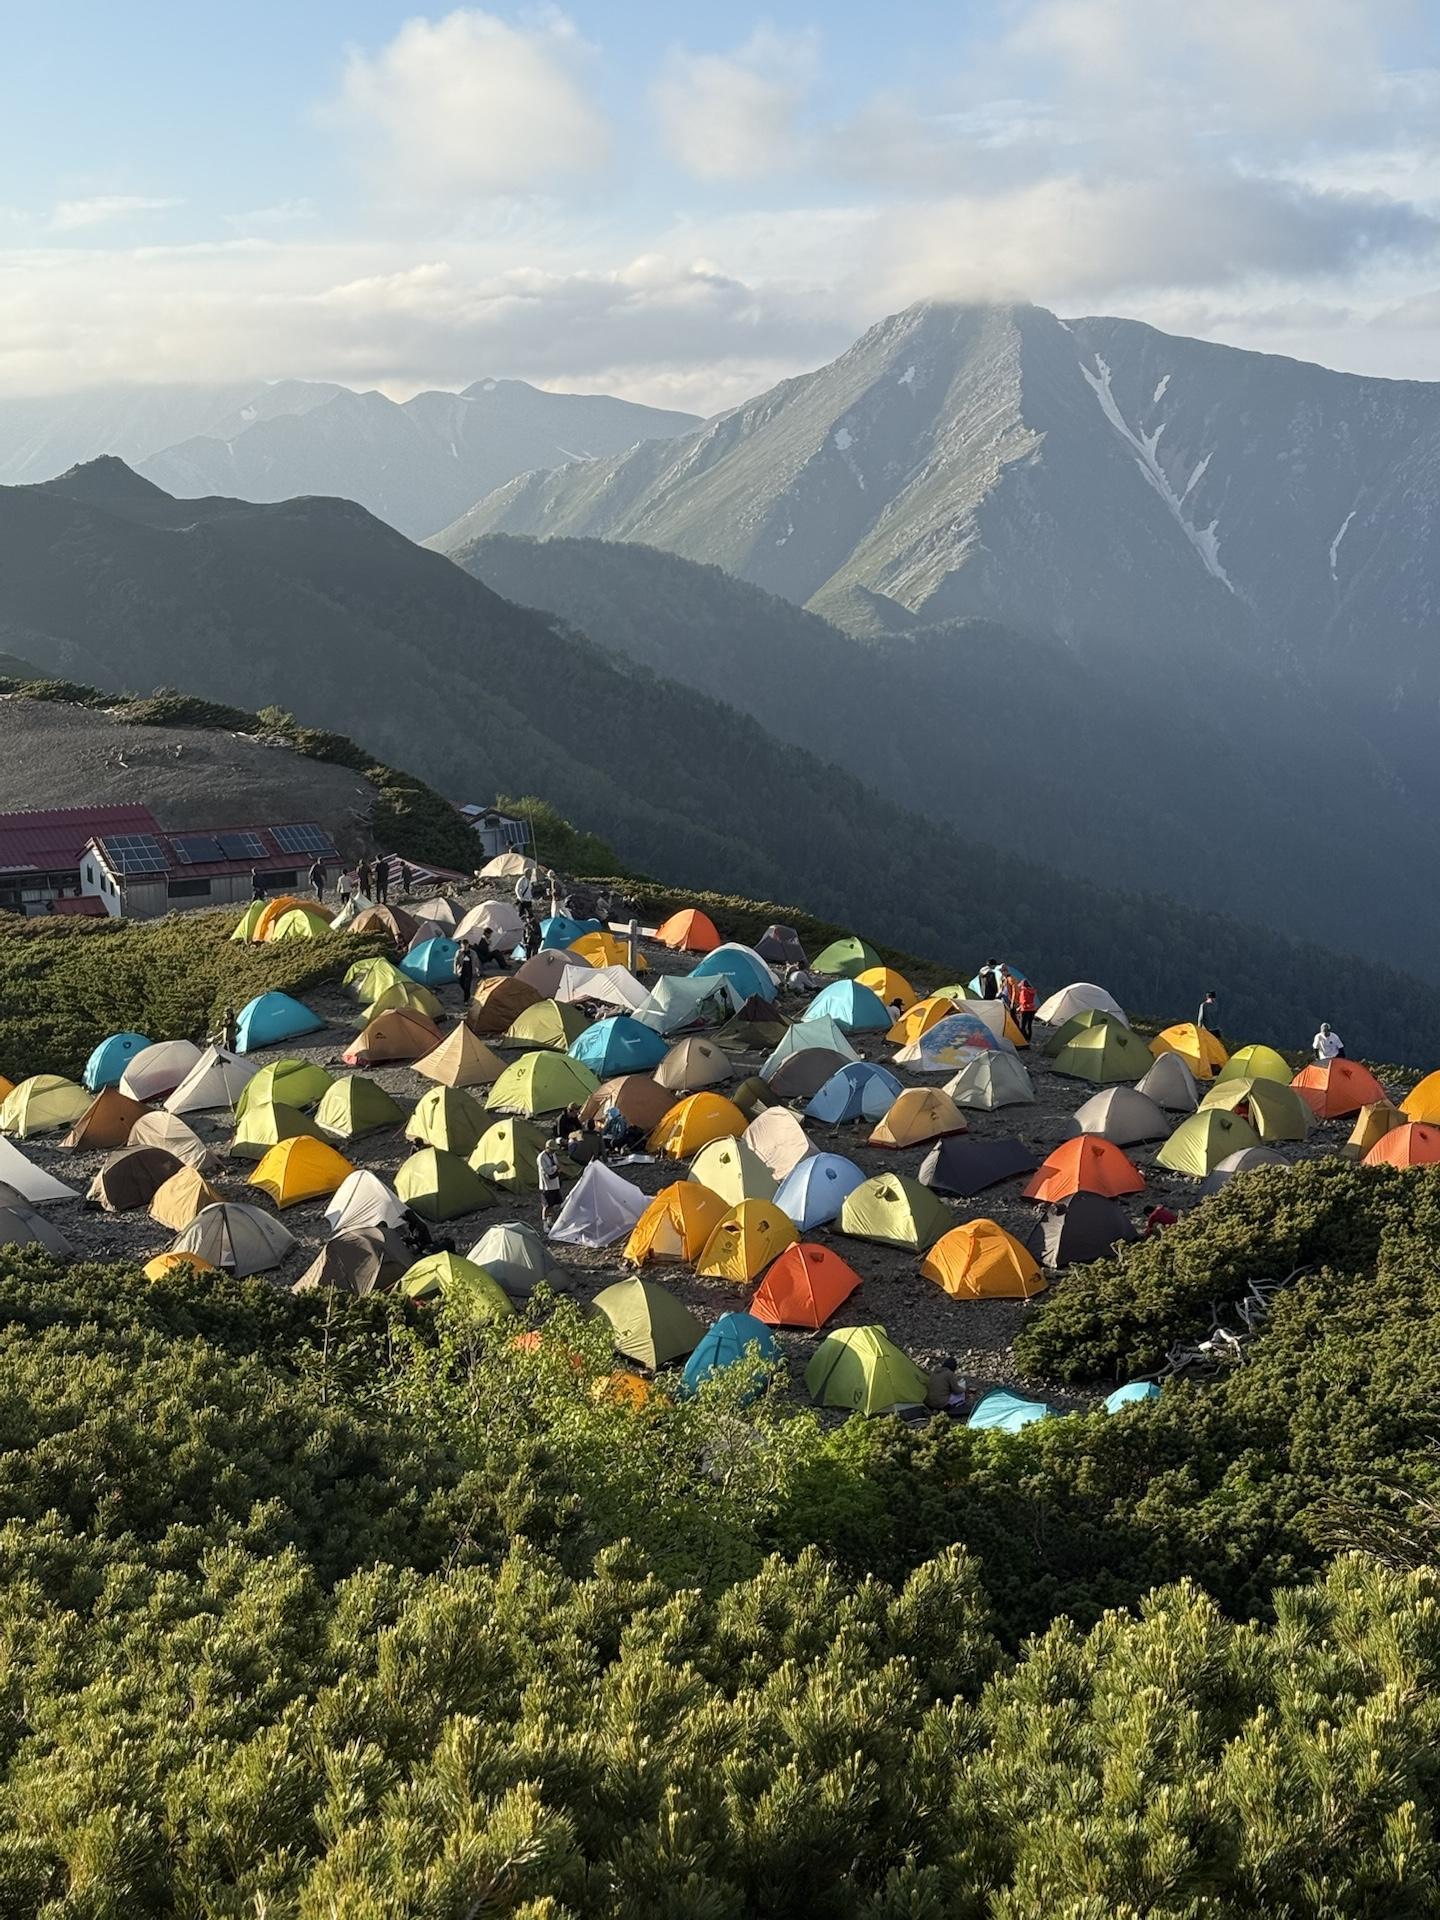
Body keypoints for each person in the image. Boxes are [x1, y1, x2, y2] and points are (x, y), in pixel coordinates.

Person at [537, 1139, 563, 1230]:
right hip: (546, 1185)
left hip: (554, 1183)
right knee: (546, 1205)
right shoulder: (541, 1157)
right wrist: (555, 1168)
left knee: (552, 1204)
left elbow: (556, 1165)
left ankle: (549, 1221)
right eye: (552, 1150)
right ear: (547, 1148)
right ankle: (544, 1224)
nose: (553, 1151)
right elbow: (547, 1171)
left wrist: (556, 1168)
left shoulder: (553, 1155)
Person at [1015, 976, 1037, 1041]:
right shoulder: (1031, 991)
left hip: (1025, 1010)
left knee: (1022, 1026)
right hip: (1032, 1009)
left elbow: (1023, 1001)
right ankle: (1029, 1039)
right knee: (1029, 1025)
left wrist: (1019, 1007)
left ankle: (1025, 1039)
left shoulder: (1023, 991)